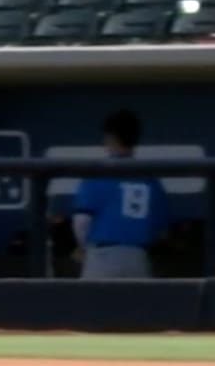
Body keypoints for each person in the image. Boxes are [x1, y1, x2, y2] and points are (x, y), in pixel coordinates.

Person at [70, 110, 168, 279]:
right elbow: (161, 231)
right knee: (136, 305)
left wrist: (84, 248)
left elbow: (82, 221)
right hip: (138, 256)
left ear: (110, 137)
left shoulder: (97, 174)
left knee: (94, 305)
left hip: (102, 257)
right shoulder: (151, 180)